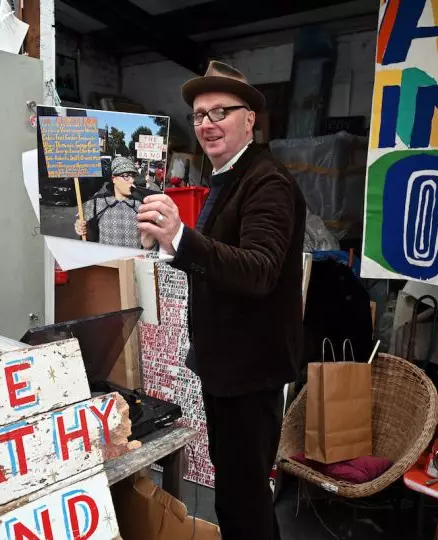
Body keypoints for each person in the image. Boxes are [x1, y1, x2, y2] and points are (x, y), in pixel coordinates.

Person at [136, 61, 306, 540]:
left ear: (249, 118)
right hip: (227, 365)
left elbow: (257, 270)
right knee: (236, 489)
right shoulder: (228, 176)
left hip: (250, 372)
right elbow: (219, 261)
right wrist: (169, 245)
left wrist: (182, 239)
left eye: (220, 113)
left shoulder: (266, 181)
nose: (207, 125)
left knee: (244, 496)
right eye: (199, 116)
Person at [74, 156, 157, 249]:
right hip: (106, 261)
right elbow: (91, 239)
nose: (132, 180)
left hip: (133, 261)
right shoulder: (96, 203)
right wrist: (84, 230)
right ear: (114, 178)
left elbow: (147, 245)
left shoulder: (142, 205)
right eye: (126, 176)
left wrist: (153, 228)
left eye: (132, 175)